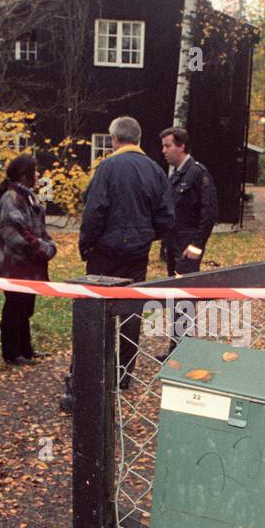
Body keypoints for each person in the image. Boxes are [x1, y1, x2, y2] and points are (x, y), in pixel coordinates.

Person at [78, 115, 173, 389]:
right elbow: (166, 218)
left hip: (105, 252)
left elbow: (94, 209)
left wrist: (87, 244)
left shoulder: (107, 167)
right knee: (132, 313)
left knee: (99, 311)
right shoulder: (155, 170)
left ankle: (95, 373)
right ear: (139, 139)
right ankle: (122, 376)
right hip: (136, 254)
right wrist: (144, 236)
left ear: (115, 139)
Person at [0, 153, 56, 366]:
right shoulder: (11, 198)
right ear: (24, 173)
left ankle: (26, 350)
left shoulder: (27, 196)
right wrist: (41, 248)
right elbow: (14, 231)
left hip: (27, 263)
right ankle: (11, 353)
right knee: (15, 306)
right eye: (34, 171)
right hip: (14, 263)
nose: (38, 175)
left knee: (25, 306)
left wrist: (48, 245)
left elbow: (37, 228)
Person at [159, 126, 217, 352]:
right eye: (163, 146)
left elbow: (209, 212)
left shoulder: (197, 173)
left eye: (168, 146)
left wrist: (197, 245)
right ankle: (177, 346)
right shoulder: (176, 175)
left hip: (187, 247)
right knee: (175, 297)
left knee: (184, 298)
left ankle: (184, 349)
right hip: (174, 245)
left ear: (181, 146)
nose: (164, 151)